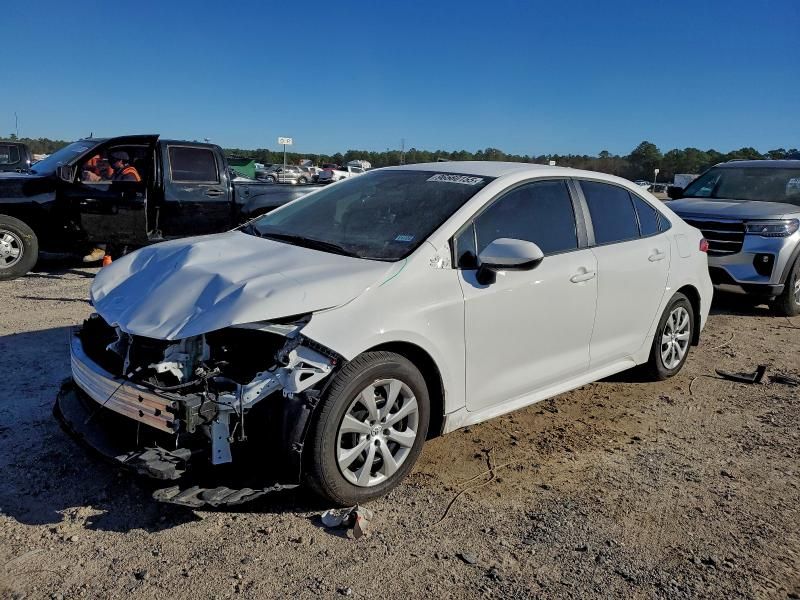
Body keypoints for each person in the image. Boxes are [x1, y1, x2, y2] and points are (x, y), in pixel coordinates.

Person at [82, 151, 142, 262]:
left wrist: (98, 180)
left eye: (113, 161)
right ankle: (103, 252)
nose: (111, 163)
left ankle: (102, 250)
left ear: (121, 161)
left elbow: (120, 192)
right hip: (120, 208)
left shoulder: (129, 174)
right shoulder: (119, 172)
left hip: (128, 211)